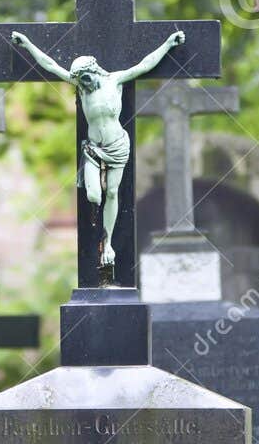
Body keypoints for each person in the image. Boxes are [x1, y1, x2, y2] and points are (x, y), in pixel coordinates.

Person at [10, 29, 186, 271]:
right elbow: (50, 64)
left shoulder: (115, 80)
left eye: (86, 78)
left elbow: (145, 65)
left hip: (117, 147)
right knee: (94, 195)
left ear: (94, 71)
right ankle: (101, 224)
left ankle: (108, 242)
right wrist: (28, 44)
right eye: (80, 80)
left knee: (112, 193)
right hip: (94, 149)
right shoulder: (81, 88)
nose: (84, 83)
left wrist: (168, 44)